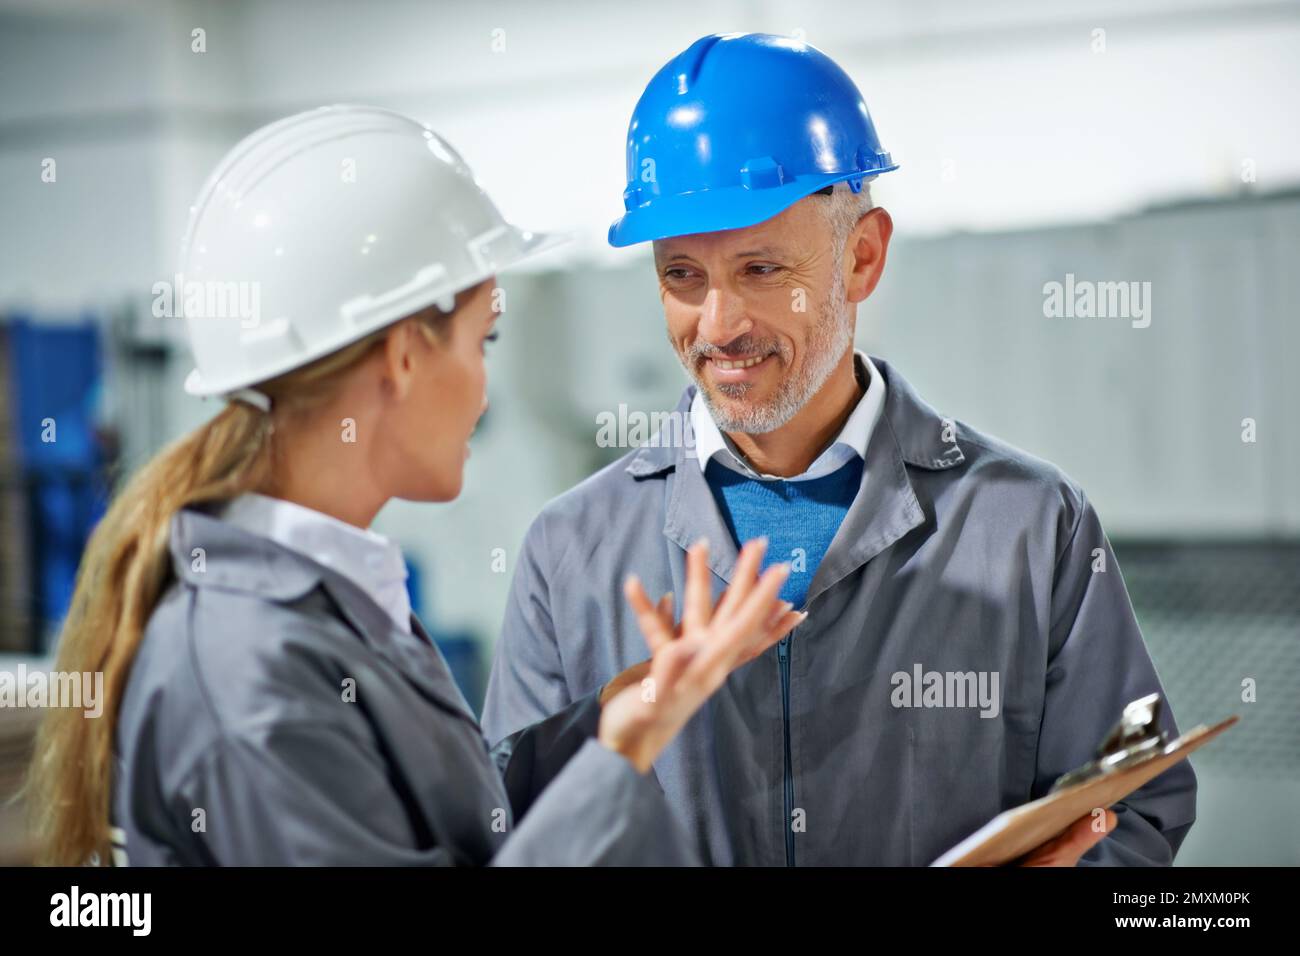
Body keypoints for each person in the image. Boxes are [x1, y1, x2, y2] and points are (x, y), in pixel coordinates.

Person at [482, 34, 1195, 866]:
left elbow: (1134, 805)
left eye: (759, 269)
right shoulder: (572, 550)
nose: (718, 327)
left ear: (862, 256)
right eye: (682, 275)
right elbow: (509, 827)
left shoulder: (1031, 525)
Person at [26, 105, 801, 866]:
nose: (484, 393)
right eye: (481, 341)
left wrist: (613, 715)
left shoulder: (320, 603)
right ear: (402, 356)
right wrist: (626, 753)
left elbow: (448, 817)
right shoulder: (247, 673)